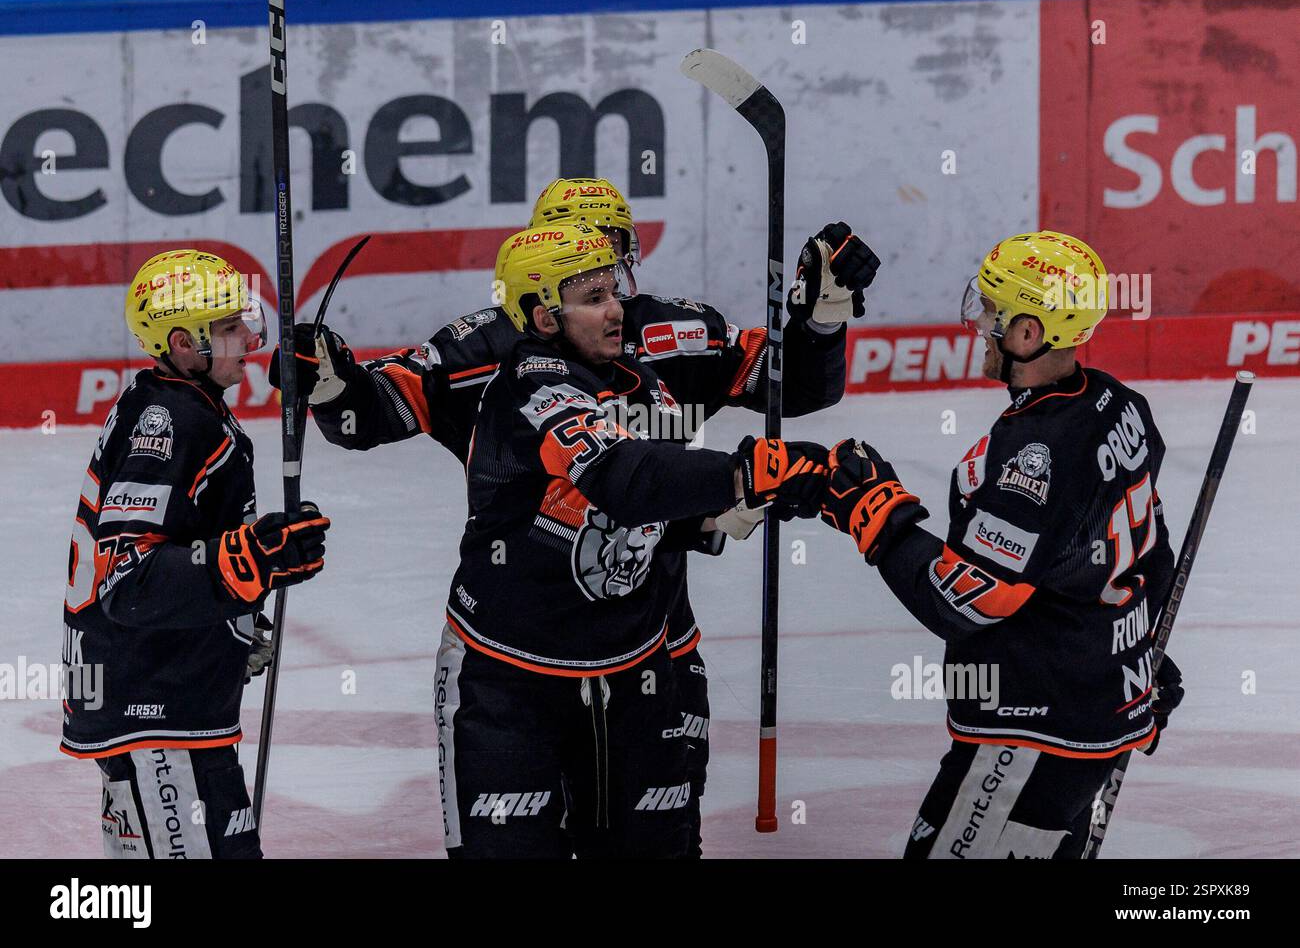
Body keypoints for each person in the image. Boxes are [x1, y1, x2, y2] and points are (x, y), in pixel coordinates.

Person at [270, 177, 880, 854]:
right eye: (586, 276)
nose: (609, 289)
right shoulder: (496, 354)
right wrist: (329, 384)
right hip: (519, 639)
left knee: (654, 842)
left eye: (613, 260)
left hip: (647, 632)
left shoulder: (659, 342)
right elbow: (370, 412)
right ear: (539, 295)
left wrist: (819, 322)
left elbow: (789, 387)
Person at [434, 223, 825, 856]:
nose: (616, 309)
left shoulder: (645, 386)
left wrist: (712, 518)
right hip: (514, 674)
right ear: (542, 314)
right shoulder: (533, 384)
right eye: (591, 297)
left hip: (632, 669)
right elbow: (620, 477)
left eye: (613, 290)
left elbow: (641, 505)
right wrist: (742, 471)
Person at [815, 230, 1183, 858]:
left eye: (991, 311)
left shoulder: (1036, 453)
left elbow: (969, 599)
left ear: (1028, 333)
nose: (977, 323)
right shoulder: (1121, 405)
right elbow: (1151, 556)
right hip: (1092, 710)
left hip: (1029, 733)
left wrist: (874, 513)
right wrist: (1137, 659)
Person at [61, 249, 329, 859]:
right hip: (152, 708)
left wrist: (232, 621)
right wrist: (250, 562)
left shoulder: (183, 405)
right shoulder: (171, 421)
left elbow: (184, 545)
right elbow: (126, 580)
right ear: (183, 342)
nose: (247, 339)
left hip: (168, 694)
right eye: (229, 328)